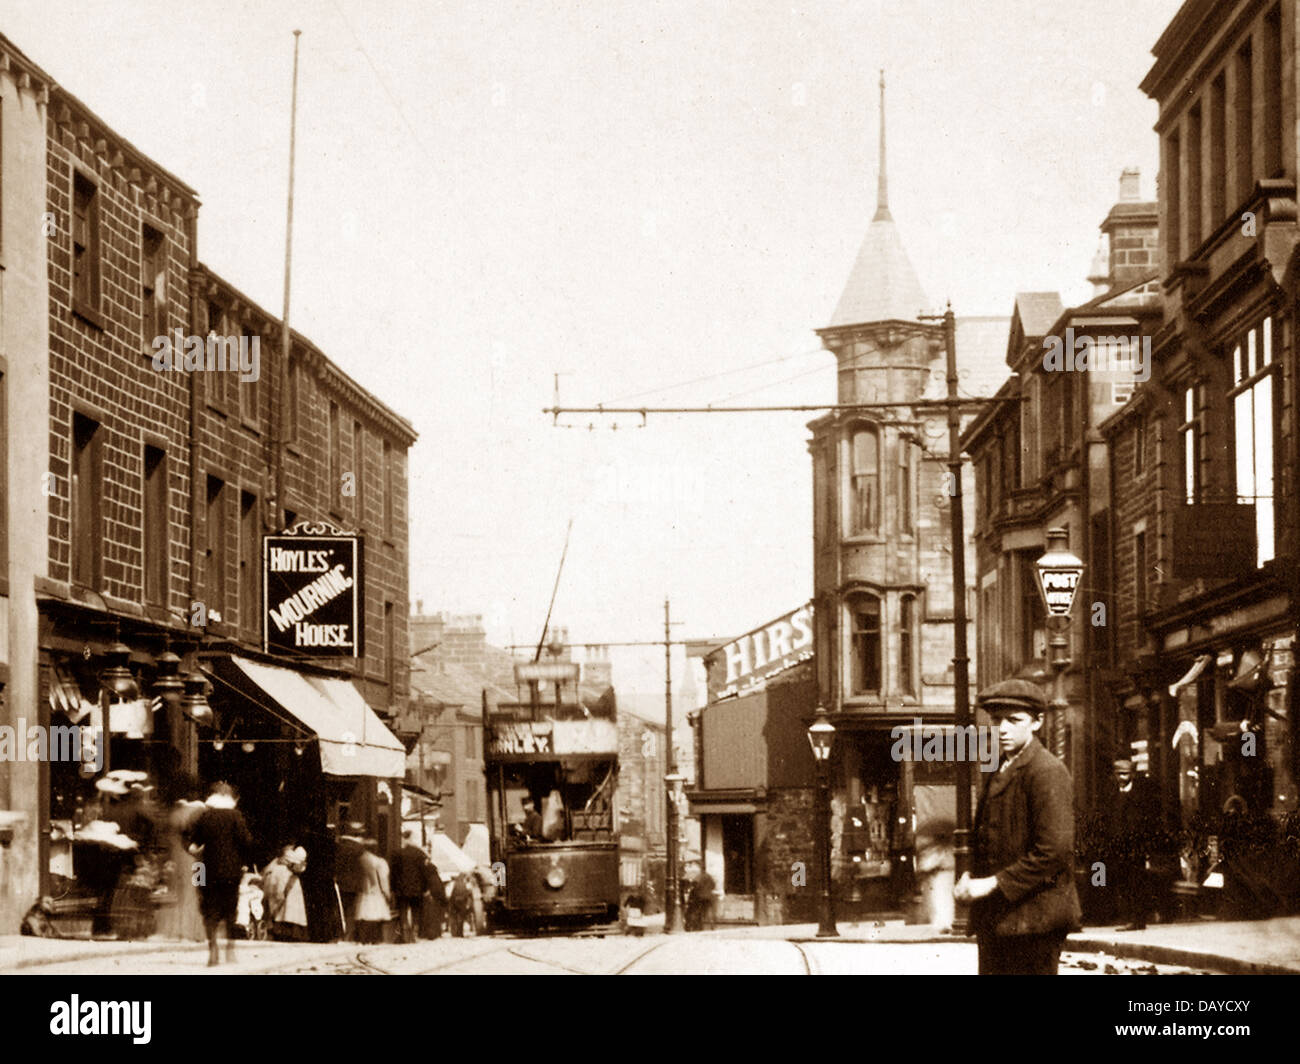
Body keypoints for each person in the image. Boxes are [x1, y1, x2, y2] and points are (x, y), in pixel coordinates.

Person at [955, 679, 1081, 976]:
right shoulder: (1001, 767)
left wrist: (992, 883)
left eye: (1014, 720)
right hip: (999, 919)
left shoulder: (1047, 771)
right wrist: (970, 874)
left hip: (1035, 920)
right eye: (997, 720)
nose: (1003, 728)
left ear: (1037, 722)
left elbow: (1055, 851)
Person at [187, 782, 254, 967]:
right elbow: (247, 841)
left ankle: (213, 949)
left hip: (207, 870)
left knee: (210, 910)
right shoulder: (236, 816)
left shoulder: (205, 816)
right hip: (232, 871)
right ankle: (230, 949)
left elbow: (194, 844)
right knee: (231, 909)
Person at [1108, 759, 1161, 930]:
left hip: (1135, 847)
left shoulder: (1141, 796)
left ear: (1132, 774)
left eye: (1125, 774)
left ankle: (1138, 920)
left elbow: (1148, 822)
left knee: (1136, 882)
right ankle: (1128, 917)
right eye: (1118, 774)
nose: (1121, 778)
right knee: (1123, 882)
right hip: (1118, 847)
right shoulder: (1112, 794)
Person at [390, 828, 432, 943]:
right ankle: (413, 933)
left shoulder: (397, 853)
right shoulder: (419, 854)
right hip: (417, 889)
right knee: (416, 911)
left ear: (404, 838)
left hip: (401, 889)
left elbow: (393, 873)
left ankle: (404, 932)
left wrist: (393, 888)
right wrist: (426, 888)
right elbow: (425, 873)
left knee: (402, 910)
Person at [262, 845, 309, 942]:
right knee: (290, 906)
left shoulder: (279, 860)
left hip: (279, 877)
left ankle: (279, 929)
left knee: (284, 905)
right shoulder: (294, 854)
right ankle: (289, 931)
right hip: (286, 878)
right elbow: (299, 867)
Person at [353, 839, 393, 944]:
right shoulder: (379, 862)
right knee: (376, 915)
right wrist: (387, 893)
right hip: (376, 891)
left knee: (364, 914)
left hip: (363, 891)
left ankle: (363, 939)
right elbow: (383, 879)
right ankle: (375, 939)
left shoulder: (360, 859)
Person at [334, 822, 367, 941]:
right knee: (352, 911)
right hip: (356, 883)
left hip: (341, 882)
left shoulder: (339, 846)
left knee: (341, 908)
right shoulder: (360, 848)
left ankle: (341, 934)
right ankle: (349, 935)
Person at [684, 859, 718, 932]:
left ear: (701, 869)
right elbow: (713, 885)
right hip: (709, 896)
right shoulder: (709, 876)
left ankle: (698, 925)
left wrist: (696, 889)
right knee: (709, 910)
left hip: (700, 896)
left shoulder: (699, 876)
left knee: (696, 910)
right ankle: (712, 925)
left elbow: (695, 885)